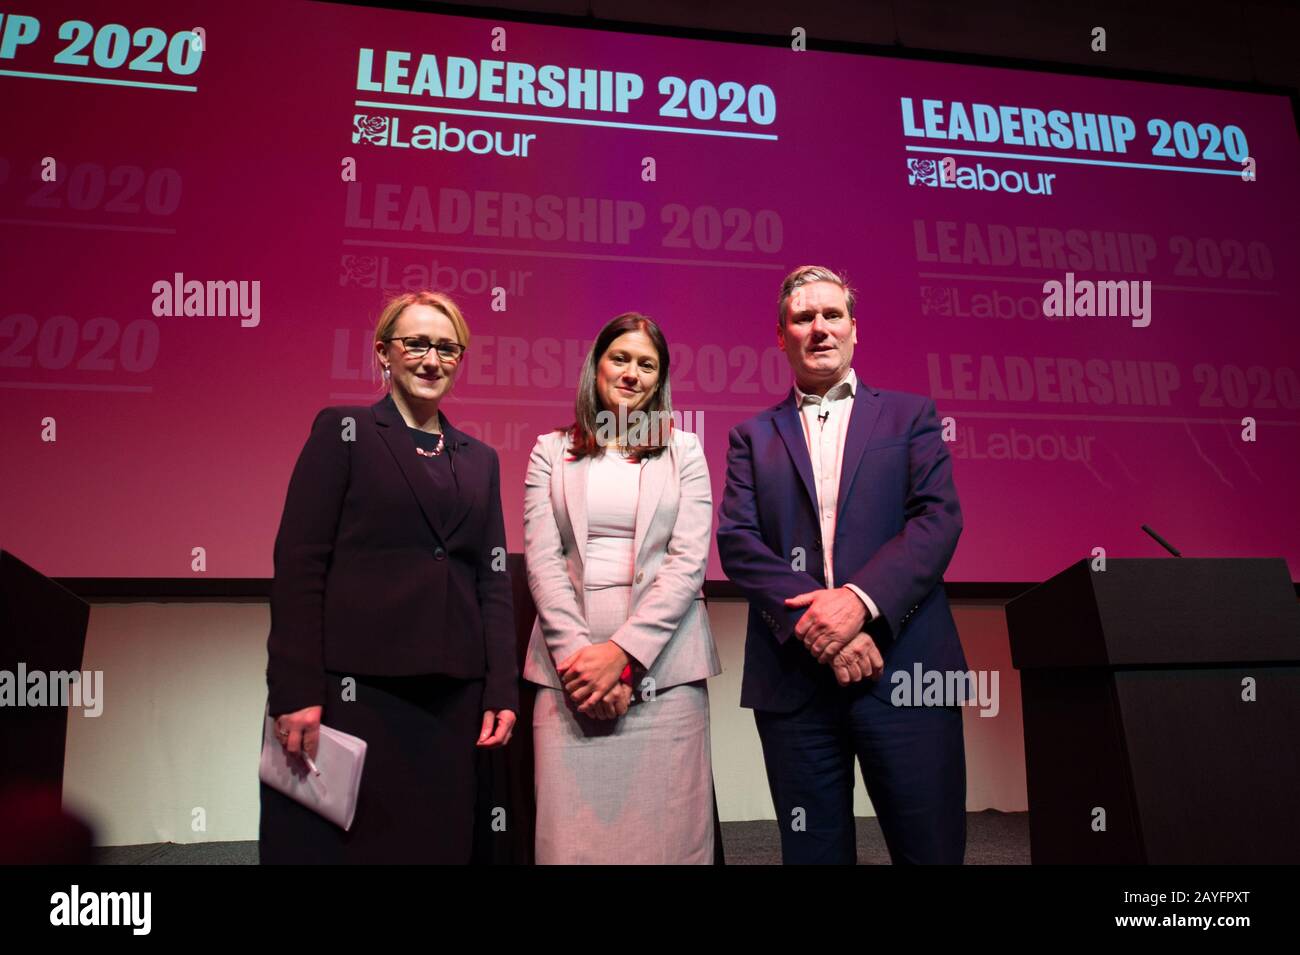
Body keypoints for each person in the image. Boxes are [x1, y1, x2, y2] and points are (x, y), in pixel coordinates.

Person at [717, 265, 967, 864]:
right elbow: (739, 543)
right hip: (794, 683)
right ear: (781, 336)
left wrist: (857, 603)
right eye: (803, 318)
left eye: (832, 315)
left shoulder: (911, 416)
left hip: (907, 671)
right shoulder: (752, 436)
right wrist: (820, 627)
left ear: (855, 328)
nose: (820, 328)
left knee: (930, 852)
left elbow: (937, 520)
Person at [260, 290, 518, 864]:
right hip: (354, 695)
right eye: (417, 344)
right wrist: (295, 690)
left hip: (450, 701)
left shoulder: (480, 458)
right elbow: (300, 564)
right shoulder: (344, 431)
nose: (432, 359)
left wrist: (500, 686)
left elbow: (493, 580)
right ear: (383, 352)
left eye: (447, 348)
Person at [522, 313, 721, 864]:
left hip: (667, 674)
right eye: (621, 358)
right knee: (569, 844)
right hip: (569, 677)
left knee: (671, 843)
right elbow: (543, 563)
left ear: (659, 381)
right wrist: (582, 665)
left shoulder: (685, 451)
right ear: (597, 366)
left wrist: (622, 657)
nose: (632, 373)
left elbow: (687, 564)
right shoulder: (549, 450)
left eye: (647, 365)